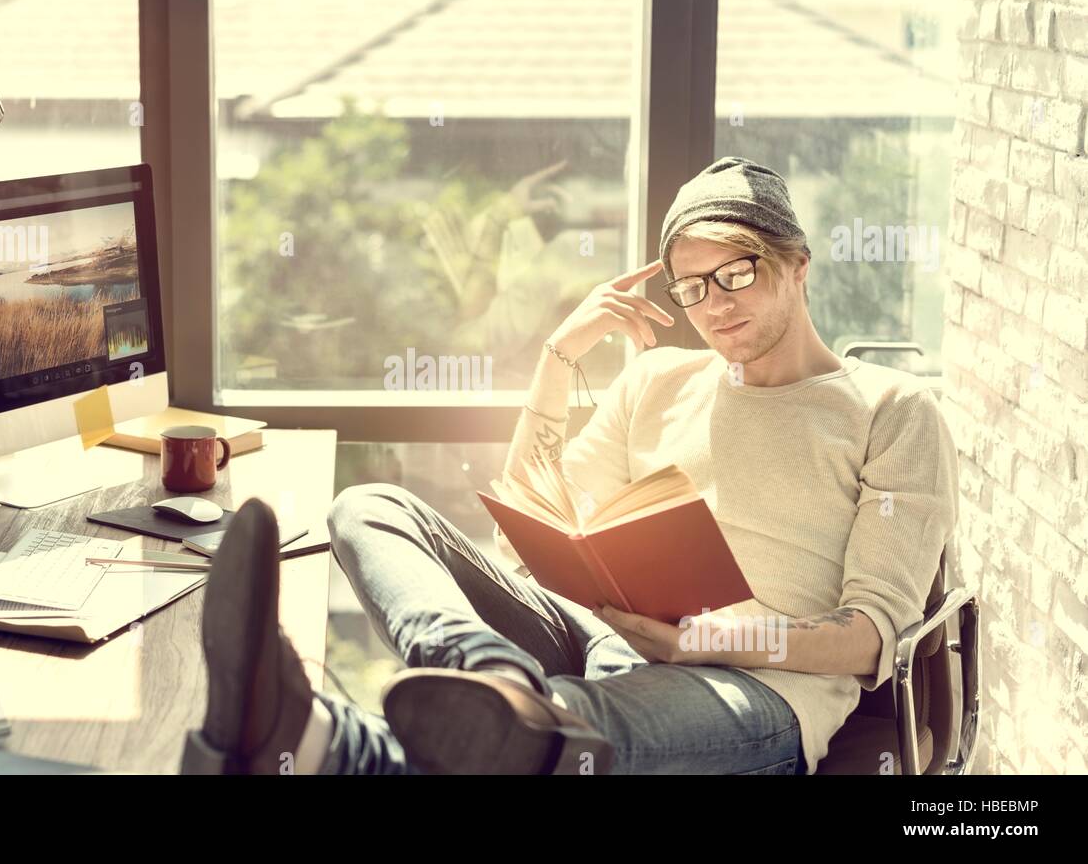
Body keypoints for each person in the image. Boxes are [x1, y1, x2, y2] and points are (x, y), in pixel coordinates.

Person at [181, 156, 960, 776]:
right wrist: (558, 361)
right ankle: (487, 667)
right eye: (693, 287)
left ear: (798, 264)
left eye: (738, 272)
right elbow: (523, 530)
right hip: (601, 631)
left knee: (570, 723)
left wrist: (704, 642)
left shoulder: (892, 409)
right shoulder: (659, 380)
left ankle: (326, 739)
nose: (715, 304)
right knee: (369, 507)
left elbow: (867, 639)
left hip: (753, 693)